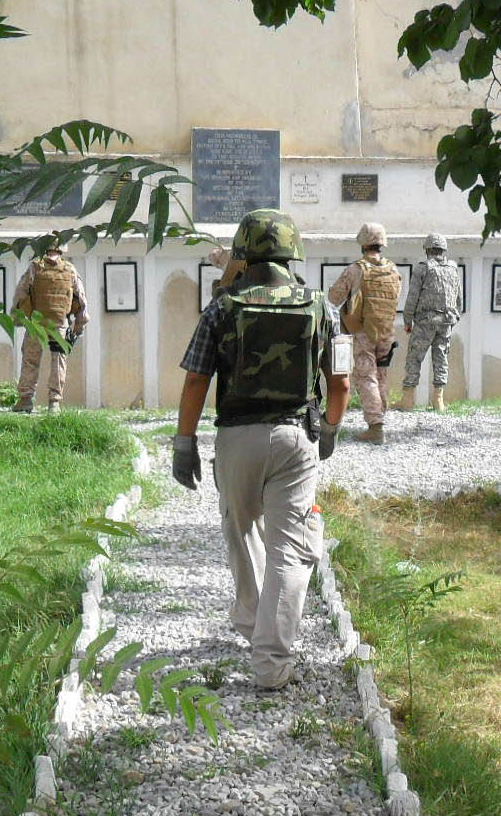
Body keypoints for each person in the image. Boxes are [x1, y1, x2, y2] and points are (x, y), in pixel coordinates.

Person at [172, 209, 352, 690]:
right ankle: (271, 662)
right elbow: (341, 382)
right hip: (297, 438)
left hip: (237, 438)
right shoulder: (322, 306)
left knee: (240, 526)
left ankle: (253, 622)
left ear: (243, 253)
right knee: (290, 549)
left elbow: (195, 379)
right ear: (293, 252)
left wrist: (184, 442)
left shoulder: (222, 307)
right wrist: (330, 429)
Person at [325, 222, 401, 444]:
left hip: (362, 331)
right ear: (381, 244)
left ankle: (376, 426)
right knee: (381, 375)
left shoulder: (356, 270)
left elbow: (333, 299)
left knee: (366, 376)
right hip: (387, 330)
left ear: (363, 244)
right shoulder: (393, 269)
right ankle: (379, 417)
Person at [10, 242, 87, 412]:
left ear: (46, 249)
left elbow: (21, 294)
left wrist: (17, 318)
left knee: (30, 360)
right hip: (59, 324)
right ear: (62, 250)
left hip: (36, 325)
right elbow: (81, 300)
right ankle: (54, 403)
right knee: (58, 362)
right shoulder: (70, 270)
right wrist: (79, 326)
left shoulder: (35, 268)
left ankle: (25, 400)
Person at [397, 232, 463, 411]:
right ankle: (438, 401)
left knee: (414, 358)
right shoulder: (453, 267)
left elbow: (412, 297)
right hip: (446, 322)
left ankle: (408, 400)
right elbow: (458, 298)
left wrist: (407, 320)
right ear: (443, 249)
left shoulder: (423, 267)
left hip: (425, 322)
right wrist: (454, 317)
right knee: (441, 358)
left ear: (427, 249)